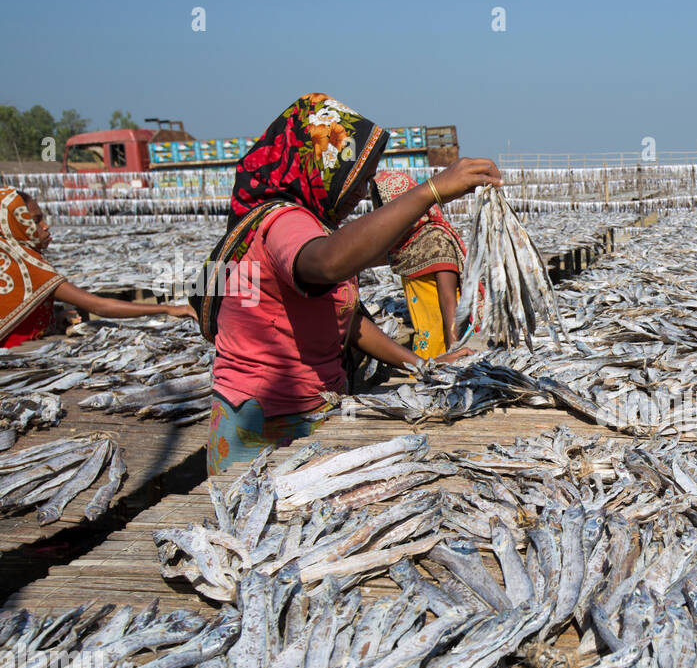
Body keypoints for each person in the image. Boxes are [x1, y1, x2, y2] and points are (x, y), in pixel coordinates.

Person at [202, 94, 501, 475]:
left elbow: (349, 323)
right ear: (325, 168)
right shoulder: (284, 222)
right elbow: (327, 264)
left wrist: (423, 365)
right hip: (263, 424)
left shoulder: (315, 226)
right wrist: (430, 191)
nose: (362, 193)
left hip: (317, 410)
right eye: (358, 180)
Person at [0, 187, 195, 348]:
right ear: (15, 224)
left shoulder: (12, 258)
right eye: (35, 221)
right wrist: (168, 309)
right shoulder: (25, 265)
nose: (45, 226)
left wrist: (53, 318)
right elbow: (100, 306)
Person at [370, 170, 467, 357]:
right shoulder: (403, 245)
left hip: (440, 347)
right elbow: (369, 258)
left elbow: (449, 300)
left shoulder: (436, 241)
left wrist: (455, 352)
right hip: (423, 342)